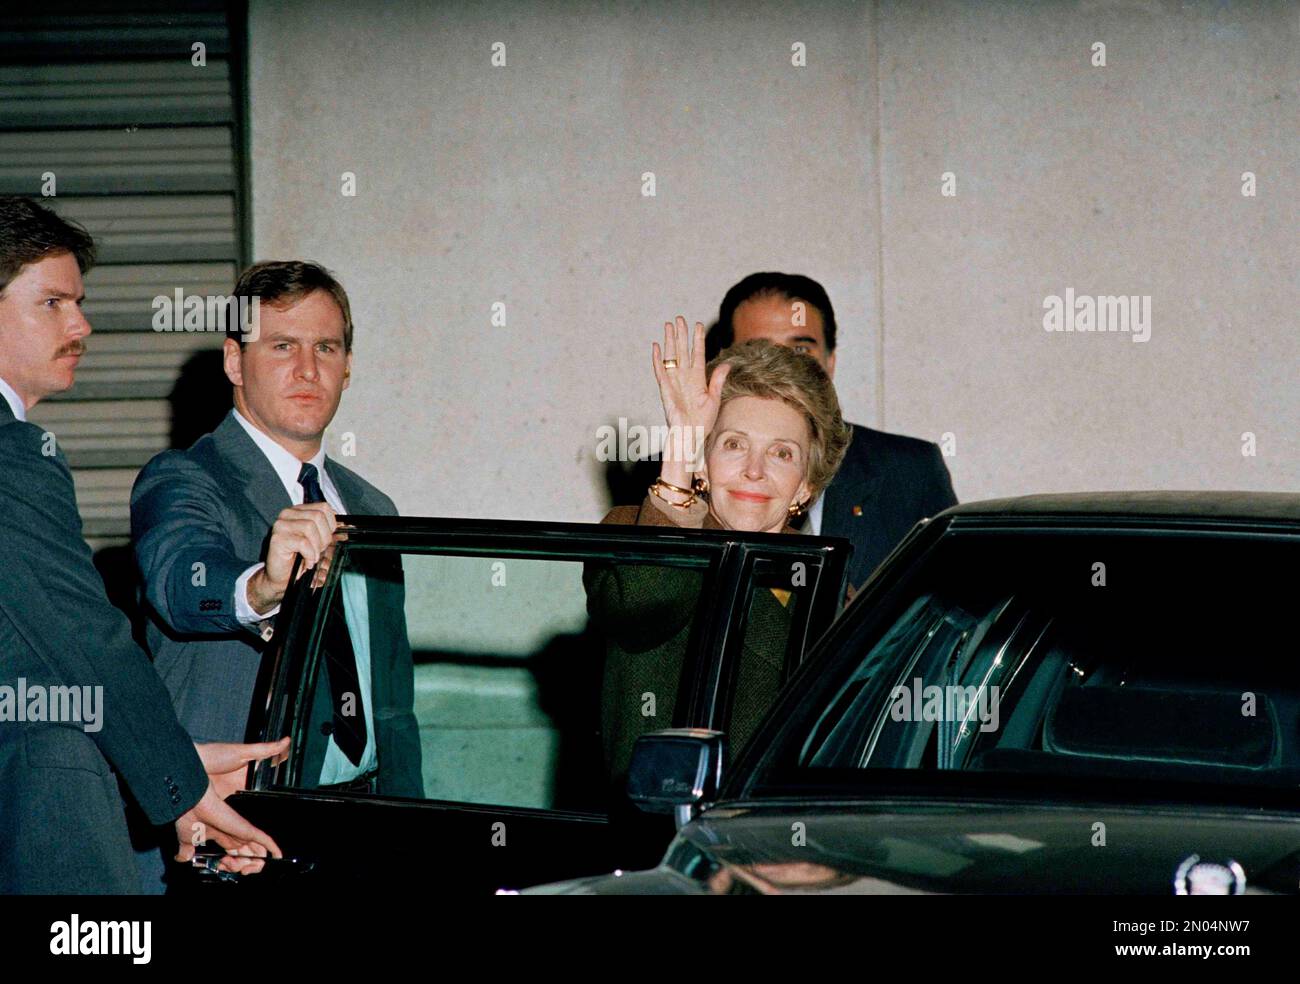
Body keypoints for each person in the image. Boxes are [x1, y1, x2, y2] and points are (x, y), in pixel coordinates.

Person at [0, 196, 285, 893]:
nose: (81, 325)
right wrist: (181, 781)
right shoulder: (11, 455)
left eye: (80, 303)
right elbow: (81, 636)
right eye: (53, 303)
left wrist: (170, 761)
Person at [130, 261, 423, 887]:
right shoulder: (184, 478)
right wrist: (262, 586)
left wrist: (411, 837)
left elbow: (393, 703)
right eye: (283, 346)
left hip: (361, 833)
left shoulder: (373, 508)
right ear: (235, 362)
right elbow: (182, 581)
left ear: (349, 366)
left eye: (327, 348)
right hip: (232, 830)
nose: (308, 369)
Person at [587, 317, 851, 784]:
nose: (755, 470)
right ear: (703, 465)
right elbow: (643, 606)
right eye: (733, 445)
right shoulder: (636, 533)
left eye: (782, 453)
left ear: (805, 485)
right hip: (675, 820)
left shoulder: (833, 589)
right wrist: (682, 447)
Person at [709, 272, 958, 589]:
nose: (782, 369)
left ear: (830, 361)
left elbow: (959, 600)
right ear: (723, 364)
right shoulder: (669, 477)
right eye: (760, 351)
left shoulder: (910, 472)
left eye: (801, 352)